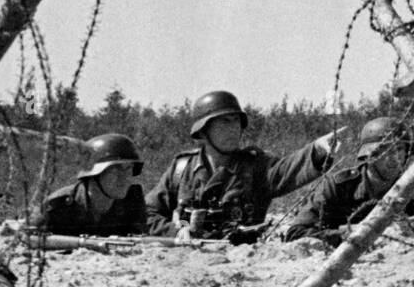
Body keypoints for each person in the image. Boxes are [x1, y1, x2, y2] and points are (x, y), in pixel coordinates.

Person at [145, 90, 345, 242]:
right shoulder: (182, 169)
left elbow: (286, 170)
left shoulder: (255, 166)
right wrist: (178, 230)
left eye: (236, 122)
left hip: (243, 260)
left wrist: (317, 152)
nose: (233, 129)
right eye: (224, 123)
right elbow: (148, 212)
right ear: (203, 131)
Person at [281, 116, 414, 246]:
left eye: (399, 149)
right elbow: (295, 233)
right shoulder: (337, 186)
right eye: (386, 150)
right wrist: (349, 234)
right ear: (370, 154)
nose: (394, 158)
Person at [29, 133, 147, 237]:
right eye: (116, 170)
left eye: (129, 168)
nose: (125, 177)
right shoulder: (57, 207)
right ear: (93, 175)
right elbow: (28, 239)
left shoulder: (132, 201)